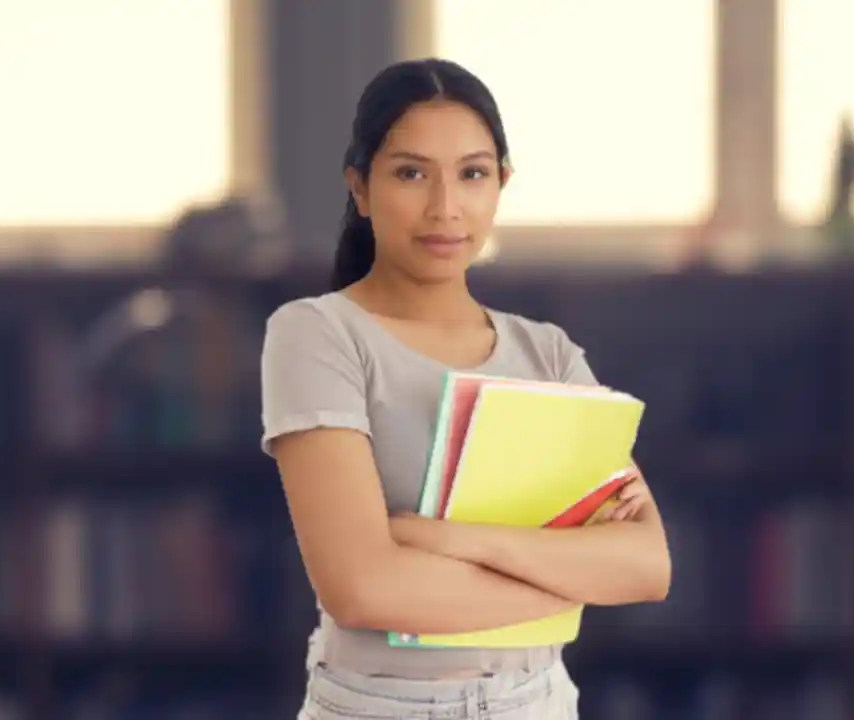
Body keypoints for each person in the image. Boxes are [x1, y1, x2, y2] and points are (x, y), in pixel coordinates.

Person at [259, 58, 672, 719]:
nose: (445, 208)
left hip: (539, 704)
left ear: (501, 184)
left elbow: (647, 565)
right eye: (411, 173)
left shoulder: (550, 354)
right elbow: (363, 589)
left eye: (473, 174)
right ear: (359, 188)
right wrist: (568, 580)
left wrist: (454, 541)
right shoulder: (317, 335)